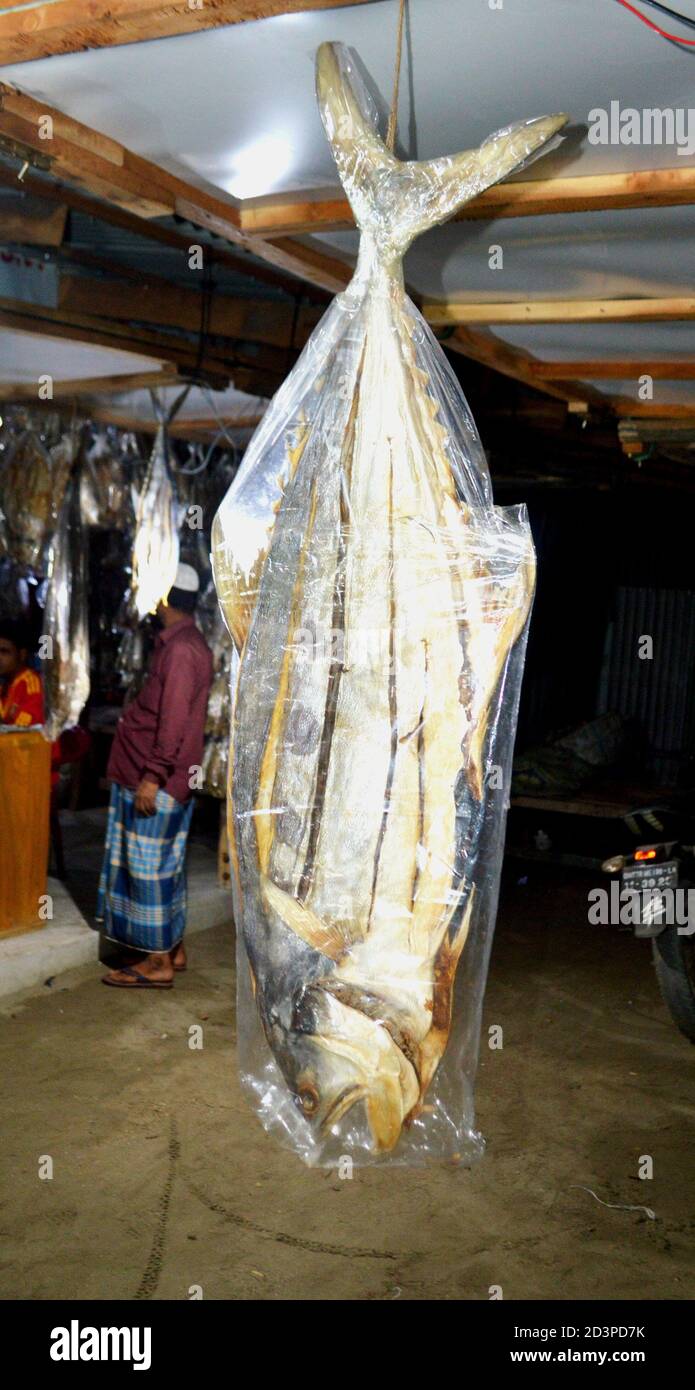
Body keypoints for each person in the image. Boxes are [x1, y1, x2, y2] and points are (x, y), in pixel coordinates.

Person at [99, 563, 213, 989]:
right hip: (169, 776)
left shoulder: (181, 651)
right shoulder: (184, 643)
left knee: (148, 868)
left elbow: (172, 723)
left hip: (159, 779)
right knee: (166, 866)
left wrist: (152, 775)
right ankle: (172, 947)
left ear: (164, 598)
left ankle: (158, 961)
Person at [0, 620, 44, 727]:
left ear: (22, 655)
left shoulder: (32, 684)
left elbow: (21, 729)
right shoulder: (4, 686)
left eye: (4, 651)